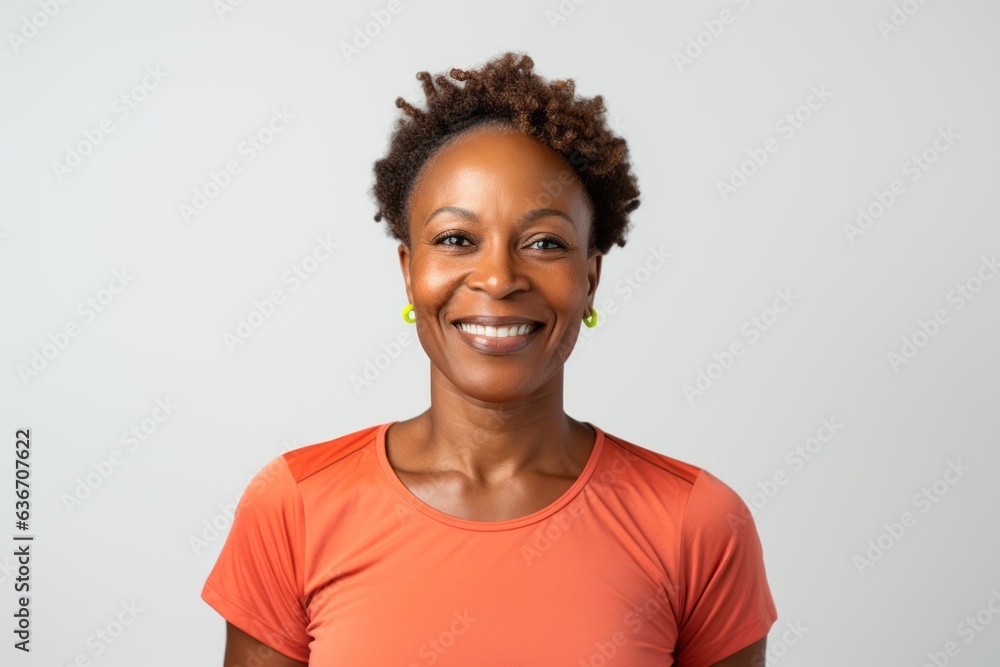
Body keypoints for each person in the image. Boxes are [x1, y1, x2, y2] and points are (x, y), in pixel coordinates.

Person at [201, 51, 778, 666]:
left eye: (544, 243)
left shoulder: (698, 524)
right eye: (456, 240)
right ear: (408, 272)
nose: (498, 278)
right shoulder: (293, 506)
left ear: (590, 280)